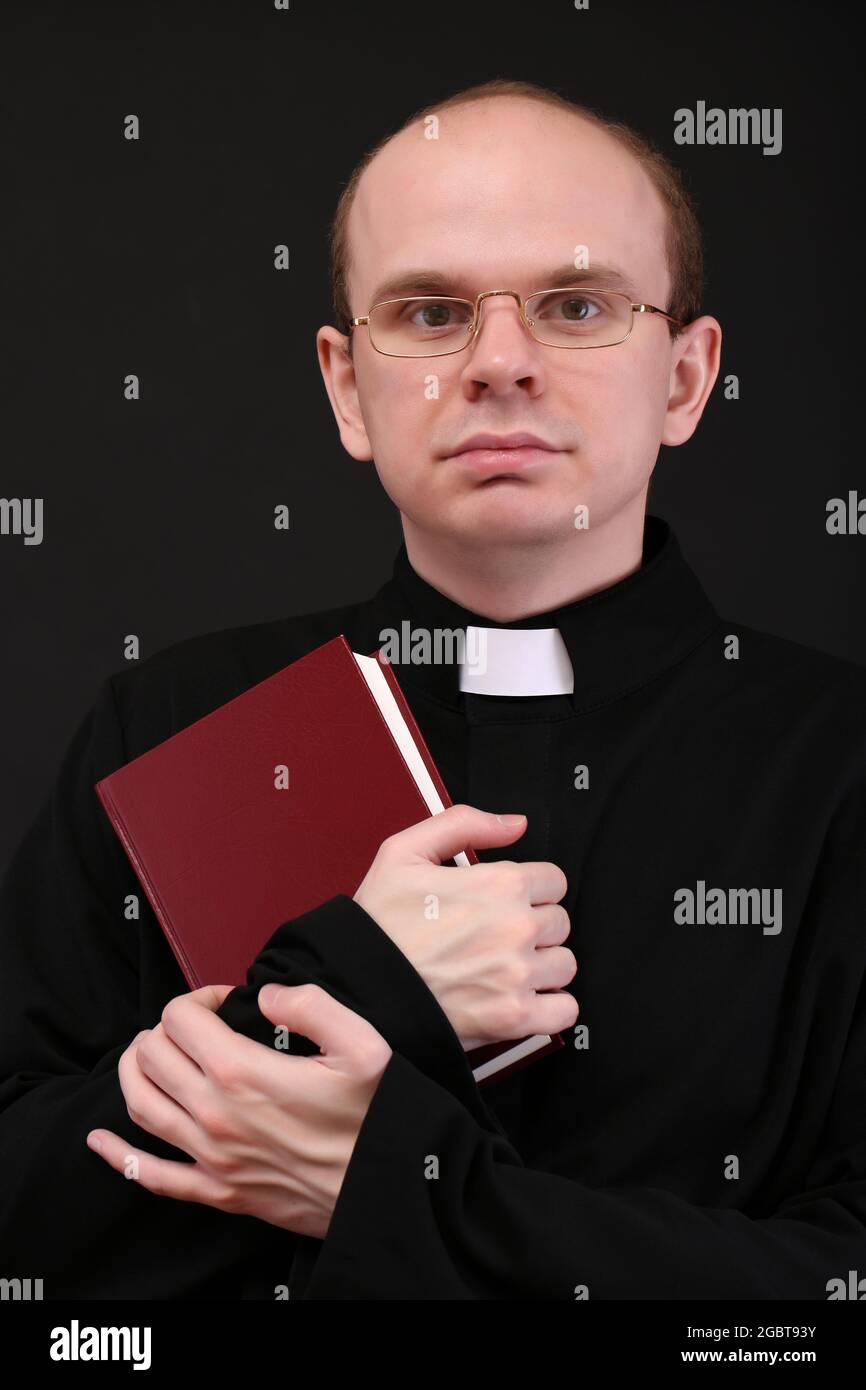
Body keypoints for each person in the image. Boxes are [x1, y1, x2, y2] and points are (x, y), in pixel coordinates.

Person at [1, 78, 864, 1301]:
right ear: (348, 387)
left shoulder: (839, 765)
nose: (498, 364)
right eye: (428, 311)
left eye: (574, 305)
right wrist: (350, 979)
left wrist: (400, 1195)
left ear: (684, 377)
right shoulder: (170, 723)